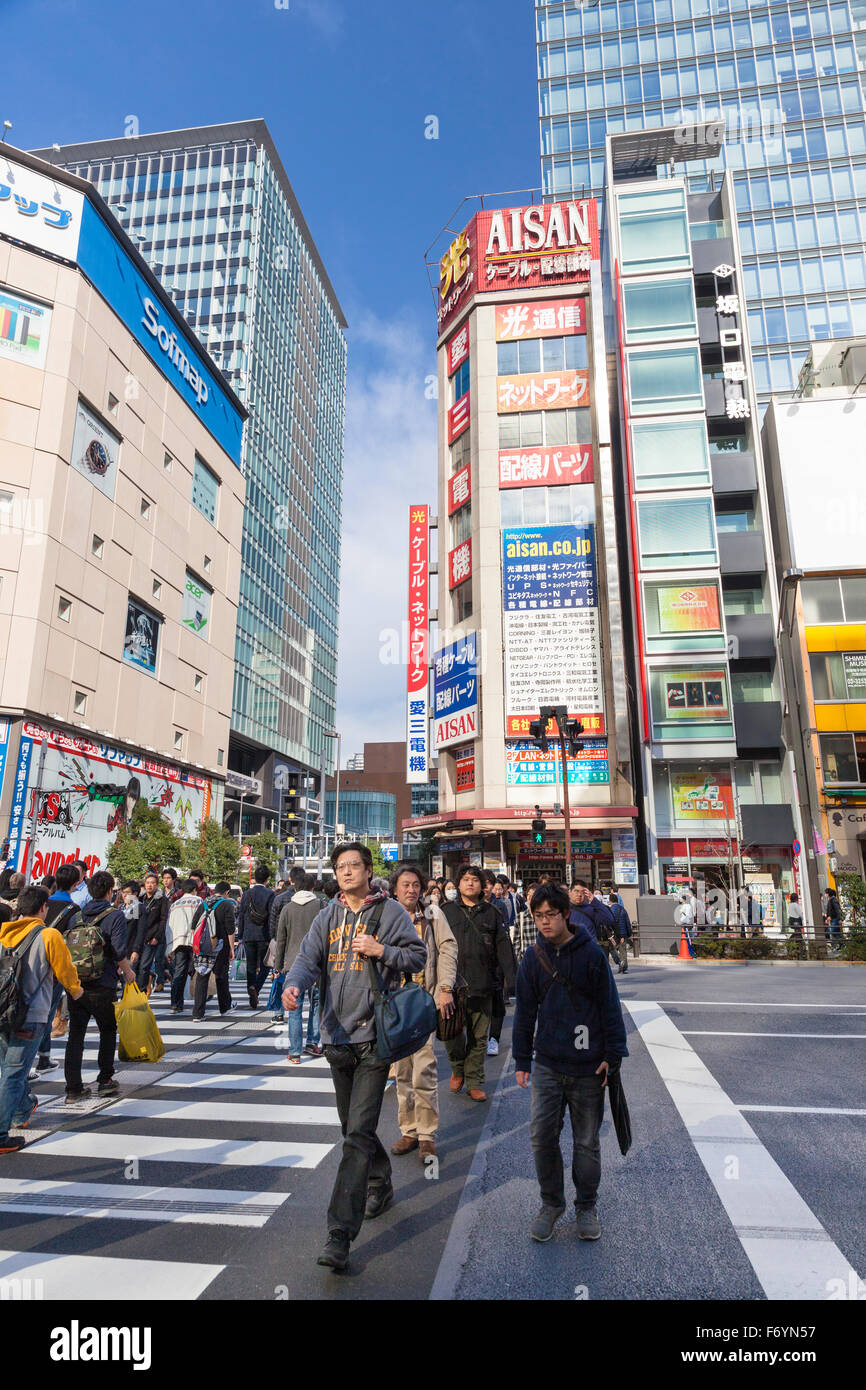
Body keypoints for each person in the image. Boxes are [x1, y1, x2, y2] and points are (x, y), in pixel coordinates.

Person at [282, 841, 426, 1272]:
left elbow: (417, 955)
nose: (346, 872)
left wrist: (383, 952)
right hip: (335, 1036)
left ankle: (339, 1234)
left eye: (353, 866)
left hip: (373, 1037)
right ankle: (380, 1181)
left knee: (357, 1132)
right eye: (340, 867)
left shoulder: (390, 914)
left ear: (367, 871)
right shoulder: (327, 916)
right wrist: (294, 985)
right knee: (353, 1129)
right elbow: (308, 959)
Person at [514, 882, 628, 1244]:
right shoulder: (532, 958)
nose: (545, 922)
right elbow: (524, 1012)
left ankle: (586, 1205)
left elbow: (610, 1006)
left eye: (551, 915)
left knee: (586, 1142)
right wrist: (521, 1059)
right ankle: (551, 1204)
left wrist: (613, 1056)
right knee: (541, 1137)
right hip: (547, 1063)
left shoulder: (592, 955)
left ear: (566, 914)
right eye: (538, 916)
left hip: (587, 1066)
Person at [0, 885, 85, 1153]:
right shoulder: (49, 935)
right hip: (31, 1015)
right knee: (14, 1074)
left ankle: (22, 1108)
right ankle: (2, 1134)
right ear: (43, 908)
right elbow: (65, 970)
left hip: (1, 1013)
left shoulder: (2, 934)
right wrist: (77, 991)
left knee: (10, 1070)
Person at [389, 861, 457, 1162]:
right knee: (401, 1071)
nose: (411, 889)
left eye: (416, 885)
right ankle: (409, 1129)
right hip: (393, 1005)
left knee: (425, 1069)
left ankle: (427, 1134)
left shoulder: (432, 914)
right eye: (405, 884)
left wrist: (445, 988)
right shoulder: (385, 915)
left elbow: (448, 948)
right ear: (395, 889)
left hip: (424, 1000)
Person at [439, 863, 515, 1101]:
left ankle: (474, 1080)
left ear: (483, 885)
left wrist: (512, 980)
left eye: (475, 879)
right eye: (465, 879)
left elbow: (504, 948)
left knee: (479, 1038)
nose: (470, 883)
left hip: (483, 984)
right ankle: (458, 1069)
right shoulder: (445, 911)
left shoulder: (492, 913)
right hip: (450, 987)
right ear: (457, 884)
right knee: (451, 1036)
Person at [64, 871, 137, 1102]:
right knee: (107, 1029)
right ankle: (105, 1080)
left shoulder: (77, 915)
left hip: (76, 984)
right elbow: (118, 951)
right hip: (103, 983)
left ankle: (73, 1089)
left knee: (76, 1035)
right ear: (109, 892)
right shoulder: (115, 916)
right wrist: (128, 972)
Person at [273, 873, 322, 1060]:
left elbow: (281, 940)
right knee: (316, 1004)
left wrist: (278, 967)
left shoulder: (287, 909)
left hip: (292, 965)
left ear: (295, 888)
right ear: (313, 888)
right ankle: (312, 1043)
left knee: (294, 1008)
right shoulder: (320, 906)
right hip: (316, 964)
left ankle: (294, 1051)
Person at [191, 881, 236, 1020]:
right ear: (227, 892)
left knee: (202, 976)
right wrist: (231, 948)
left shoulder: (203, 903)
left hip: (202, 945)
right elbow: (230, 929)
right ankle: (225, 1007)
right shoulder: (227, 904)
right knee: (221, 976)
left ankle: (198, 1014)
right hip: (220, 945)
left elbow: (193, 926)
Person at [237, 863, 275, 1008]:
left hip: (248, 934)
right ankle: (256, 988)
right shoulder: (270, 894)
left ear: (254, 878)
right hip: (263, 934)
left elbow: (241, 915)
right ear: (267, 879)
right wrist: (272, 935)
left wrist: (241, 934)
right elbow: (272, 916)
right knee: (266, 965)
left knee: (251, 966)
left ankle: (250, 993)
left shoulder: (246, 894)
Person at [165, 879, 206, 1014]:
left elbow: (169, 926)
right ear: (195, 889)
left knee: (179, 971)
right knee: (200, 970)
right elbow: (204, 920)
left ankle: (175, 1004)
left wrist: (169, 948)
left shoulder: (175, 904)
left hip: (179, 942)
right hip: (195, 941)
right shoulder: (199, 902)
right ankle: (199, 1005)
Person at [135, 872, 169, 996]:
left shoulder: (162, 899)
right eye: (148, 883)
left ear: (157, 885)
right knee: (136, 965)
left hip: (152, 937)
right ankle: (138, 989)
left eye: (153, 883)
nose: (150, 885)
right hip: (139, 937)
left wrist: (157, 937)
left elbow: (163, 920)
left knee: (144, 966)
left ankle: (142, 991)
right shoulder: (140, 898)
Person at [607, 893, 632, 974]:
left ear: (610, 901)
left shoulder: (609, 910)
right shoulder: (623, 910)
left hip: (613, 936)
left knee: (612, 949)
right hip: (622, 934)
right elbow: (627, 923)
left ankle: (618, 962)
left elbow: (608, 923)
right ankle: (624, 967)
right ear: (617, 900)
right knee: (623, 951)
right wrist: (628, 934)